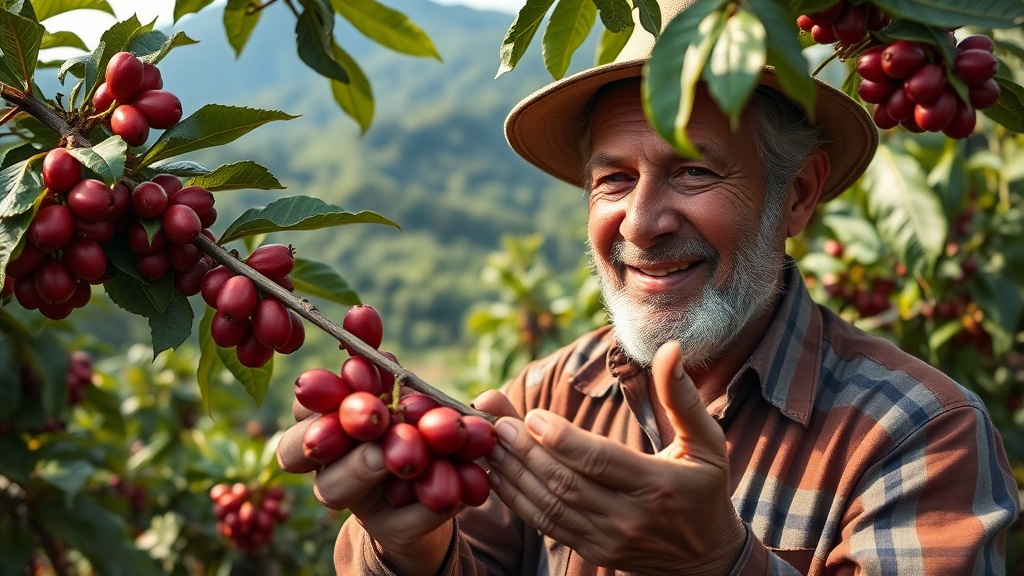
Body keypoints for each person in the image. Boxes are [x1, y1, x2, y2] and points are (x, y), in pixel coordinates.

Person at [277, 0, 1021, 573]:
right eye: (612, 180)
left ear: (796, 196)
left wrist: (718, 563)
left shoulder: (920, 435)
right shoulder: (547, 395)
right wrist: (414, 551)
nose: (641, 223)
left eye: (695, 170)